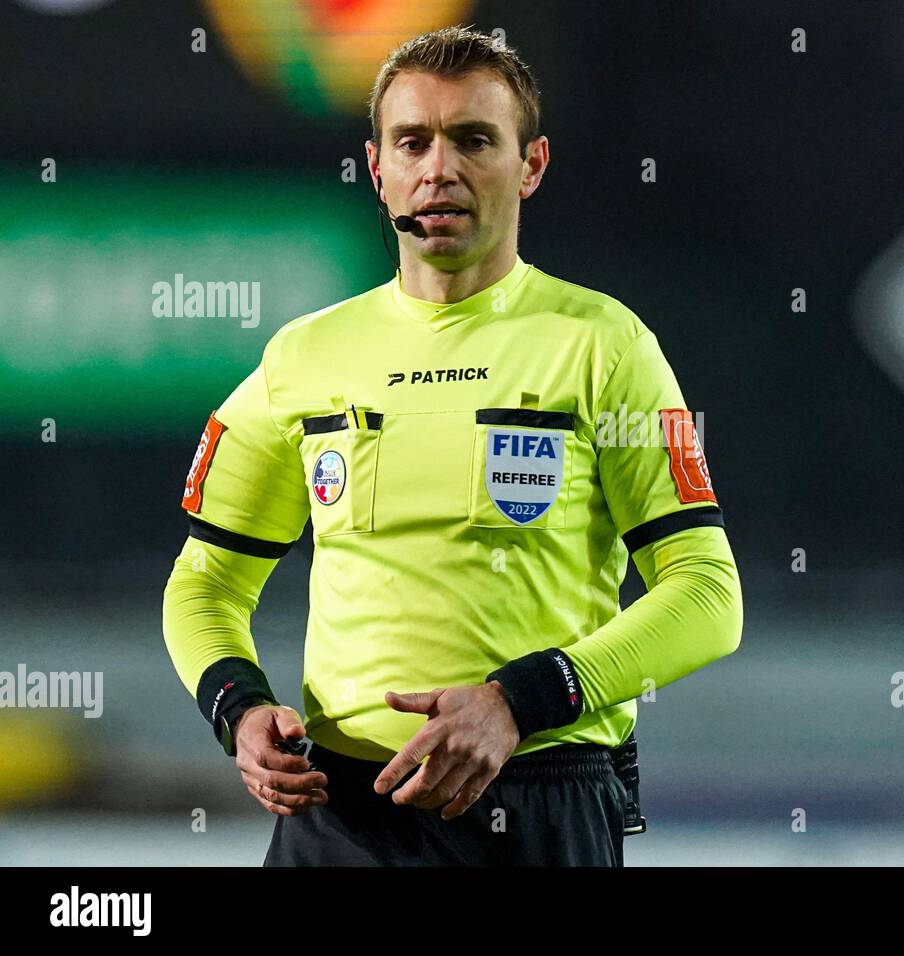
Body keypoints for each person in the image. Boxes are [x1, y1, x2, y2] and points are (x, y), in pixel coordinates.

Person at [161, 26, 743, 866]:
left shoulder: (602, 345)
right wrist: (240, 709)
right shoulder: (304, 357)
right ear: (377, 168)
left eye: (474, 139)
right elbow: (206, 582)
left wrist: (516, 702)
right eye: (413, 142)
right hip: (339, 819)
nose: (441, 168)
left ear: (531, 165)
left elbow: (707, 597)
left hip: (540, 805)